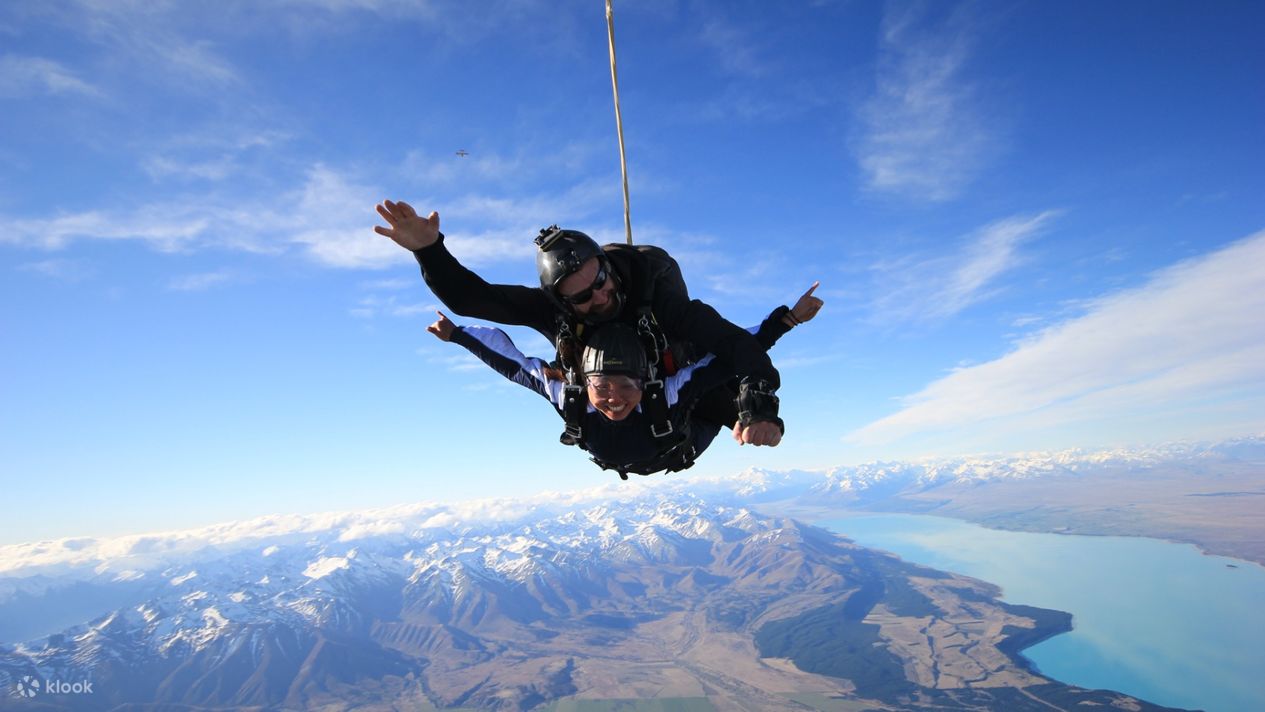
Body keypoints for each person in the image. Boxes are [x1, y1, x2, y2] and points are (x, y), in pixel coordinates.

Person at [374, 201, 785, 446]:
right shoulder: (554, 313)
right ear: (562, 300)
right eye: (583, 297)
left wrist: (758, 406)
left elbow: (734, 344)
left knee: (726, 403)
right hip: (605, 408)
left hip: (680, 391)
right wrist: (430, 251)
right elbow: (473, 299)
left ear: (606, 266)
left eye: (601, 280)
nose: (601, 296)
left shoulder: (660, 301)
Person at [426, 284, 823, 479]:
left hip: (679, 443)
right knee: (696, 382)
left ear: (645, 382)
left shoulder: (663, 392)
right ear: (586, 383)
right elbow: (510, 363)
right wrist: (457, 334)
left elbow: (734, 348)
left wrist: (785, 321)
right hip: (652, 437)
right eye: (602, 388)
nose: (613, 399)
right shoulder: (571, 395)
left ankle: (735, 419)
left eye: (625, 387)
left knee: (708, 383)